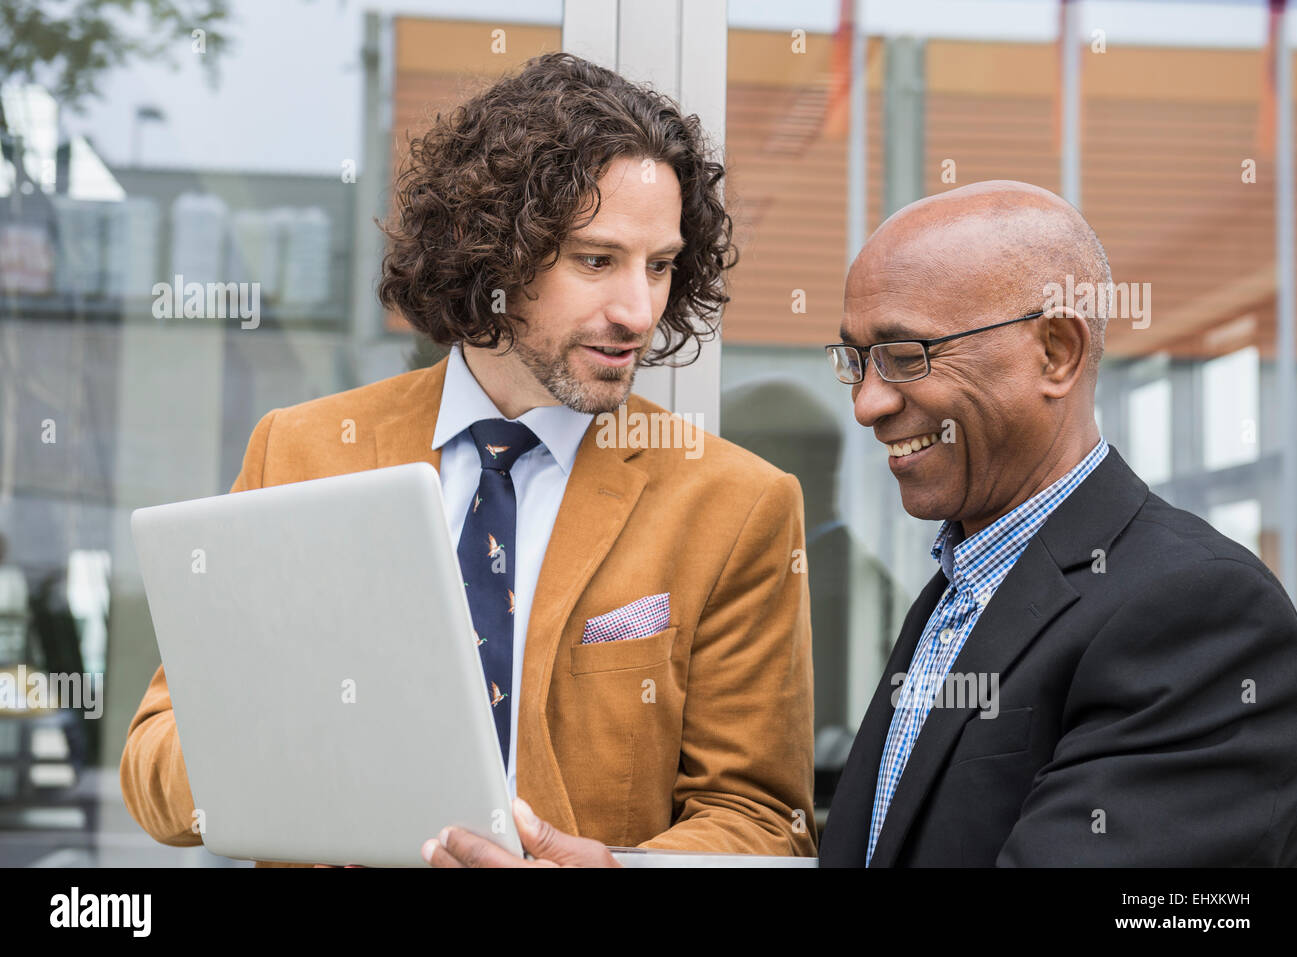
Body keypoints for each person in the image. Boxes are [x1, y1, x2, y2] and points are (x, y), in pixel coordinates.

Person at [119, 53, 816, 866]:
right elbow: (153, 766)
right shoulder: (301, 450)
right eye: (597, 260)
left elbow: (766, 821)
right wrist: (305, 749)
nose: (639, 311)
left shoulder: (739, 505)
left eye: (659, 266)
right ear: (494, 252)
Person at [817, 180, 1297, 867]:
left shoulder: (1200, 611)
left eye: (906, 355)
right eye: (857, 361)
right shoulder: (964, 586)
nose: (867, 403)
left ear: (1056, 352)